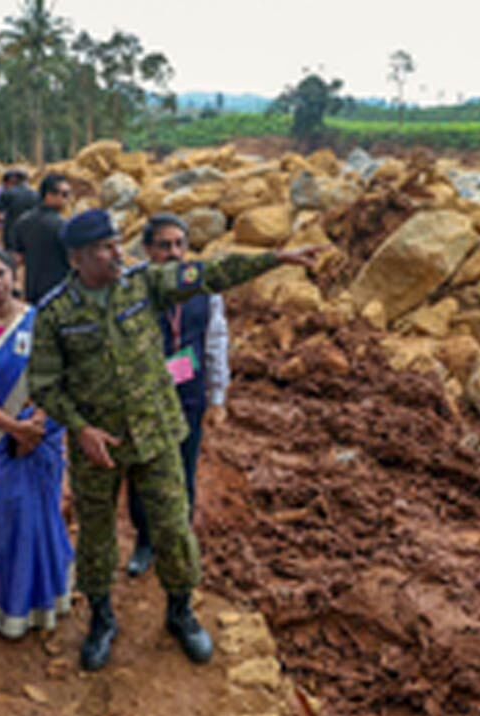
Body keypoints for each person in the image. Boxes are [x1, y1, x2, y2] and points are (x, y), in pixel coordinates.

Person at [28, 208, 324, 671]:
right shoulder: (55, 313)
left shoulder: (144, 284)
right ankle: (102, 618)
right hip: (97, 446)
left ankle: (181, 611)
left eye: (116, 244)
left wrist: (276, 258)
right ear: (77, 258)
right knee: (98, 535)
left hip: (157, 432)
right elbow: (44, 384)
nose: (116, 254)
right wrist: (80, 428)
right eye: (105, 249)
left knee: (172, 526)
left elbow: (210, 273)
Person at [0, 244, 73, 638]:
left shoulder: (39, 319)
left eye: (0, 273)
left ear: (14, 274)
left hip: (42, 433)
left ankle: (46, 599)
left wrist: (36, 422)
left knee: (41, 512)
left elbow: (57, 373)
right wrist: (12, 427)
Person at [125, 214, 229, 578]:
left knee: (184, 469)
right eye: (164, 245)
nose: (173, 253)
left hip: (189, 394)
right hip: (142, 400)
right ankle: (145, 541)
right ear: (148, 249)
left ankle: (177, 540)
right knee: (142, 472)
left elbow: (216, 341)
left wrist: (218, 397)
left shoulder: (203, 288)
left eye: (179, 245)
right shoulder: (131, 288)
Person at [9, 173, 71, 305]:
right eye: (64, 194)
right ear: (49, 195)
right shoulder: (62, 225)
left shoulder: (22, 221)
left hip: (32, 291)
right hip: (59, 291)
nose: (68, 199)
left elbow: (18, 259)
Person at [0, 169, 38, 252]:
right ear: (27, 179)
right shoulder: (36, 195)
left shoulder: (8, 193)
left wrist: (5, 219)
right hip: (31, 234)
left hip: (12, 234)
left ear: (14, 180)